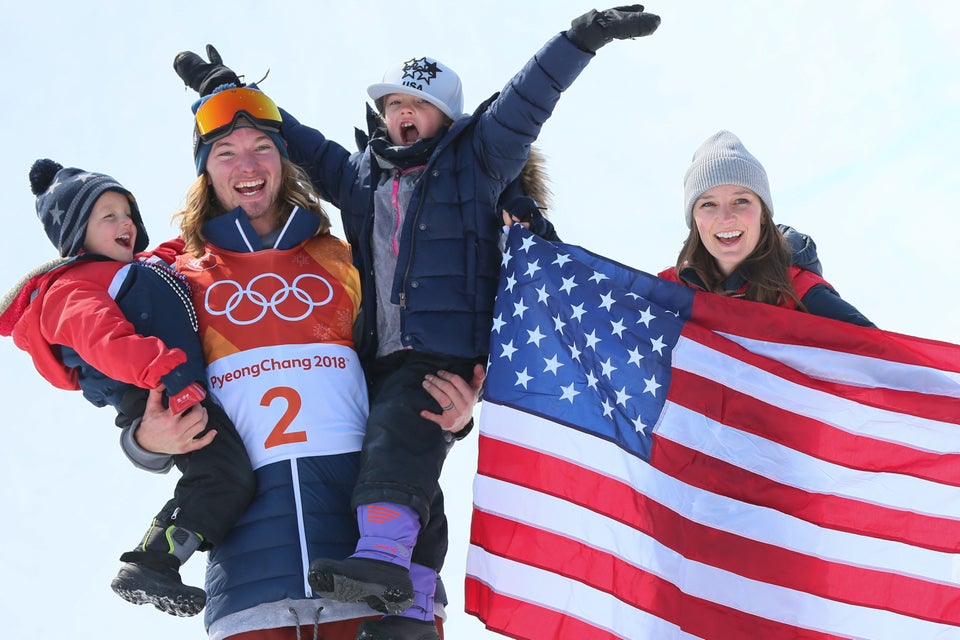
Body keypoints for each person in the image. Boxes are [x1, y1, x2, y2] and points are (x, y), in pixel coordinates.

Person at [172, 7, 660, 639]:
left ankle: (381, 560)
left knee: (397, 449)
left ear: (447, 118)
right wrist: (226, 89)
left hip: (440, 350)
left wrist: (581, 37)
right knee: (407, 468)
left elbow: (527, 99)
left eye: (420, 105)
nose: (404, 113)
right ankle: (410, 607)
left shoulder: (475, 162)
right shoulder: (360, 179)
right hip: (383, 357)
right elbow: (287, 138)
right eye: (394, 104)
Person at [120, 83, 482, 640]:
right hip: (251, 588)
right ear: (205, 173)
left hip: (378, 587)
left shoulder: (346, 259)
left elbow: (403, 372)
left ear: (285, 162)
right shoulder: (175, 278)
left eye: (262, 147)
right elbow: (130, 385)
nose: (247, 164)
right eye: (226, 152)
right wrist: (145, 441)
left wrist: (453, 419)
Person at [0, 159, 256, 617]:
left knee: (221, 473)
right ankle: (153, 563)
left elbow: (181, 248)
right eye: (109, 216)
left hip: (175, 383)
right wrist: (168, 375)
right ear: (78, 232)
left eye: (128, 214)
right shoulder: (73, 287)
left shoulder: (140, 267)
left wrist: (219, 208)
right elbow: (107, 343)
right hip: (157, 389)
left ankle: (156, 560)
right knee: (225, 475)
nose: (126, 224)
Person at [660, 129, 874, 326]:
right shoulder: (666, 296)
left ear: (763, 212)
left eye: (741, 201)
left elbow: (878, 351)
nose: (726, 218)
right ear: (694, 218)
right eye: (708, 204)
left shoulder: (802, 294)